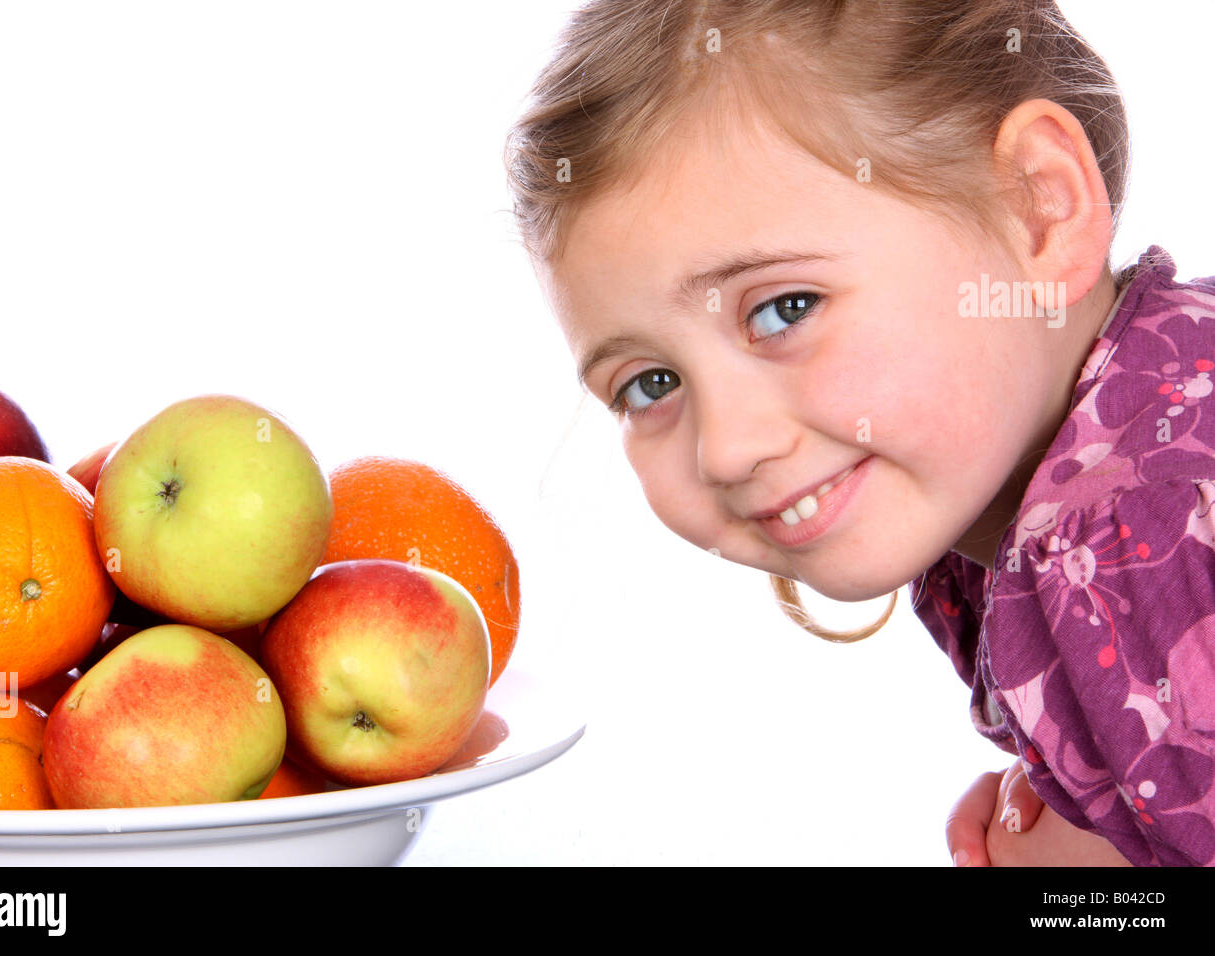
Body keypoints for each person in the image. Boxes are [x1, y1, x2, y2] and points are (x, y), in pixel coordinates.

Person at [505, 0, 1215, 865]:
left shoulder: (1143, 537)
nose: (727, 448)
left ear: (1037, 209)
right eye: (652, 384)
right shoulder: (1045, 471)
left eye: (784, 309)